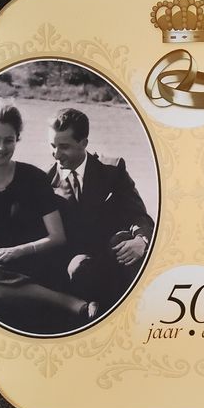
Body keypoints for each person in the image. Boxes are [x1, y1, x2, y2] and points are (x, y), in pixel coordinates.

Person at [0, 99, 99, 334]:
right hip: (4, 272)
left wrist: (18, 251)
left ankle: (71, 304)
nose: (2, 147)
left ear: (17, 140)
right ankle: (70, 306)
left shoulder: (34, 178)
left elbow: (57, 237)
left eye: (9, 140)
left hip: (43, 263)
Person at [46, 108, 155, 315]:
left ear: (84, 143)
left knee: (128, 243)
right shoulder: (45, 181)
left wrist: (141, 240)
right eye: (52, 146)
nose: (56, 154)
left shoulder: (112, 170)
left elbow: (138, 215)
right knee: (79, 266)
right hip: (76, 269)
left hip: (115, 257)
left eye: (64, 147)